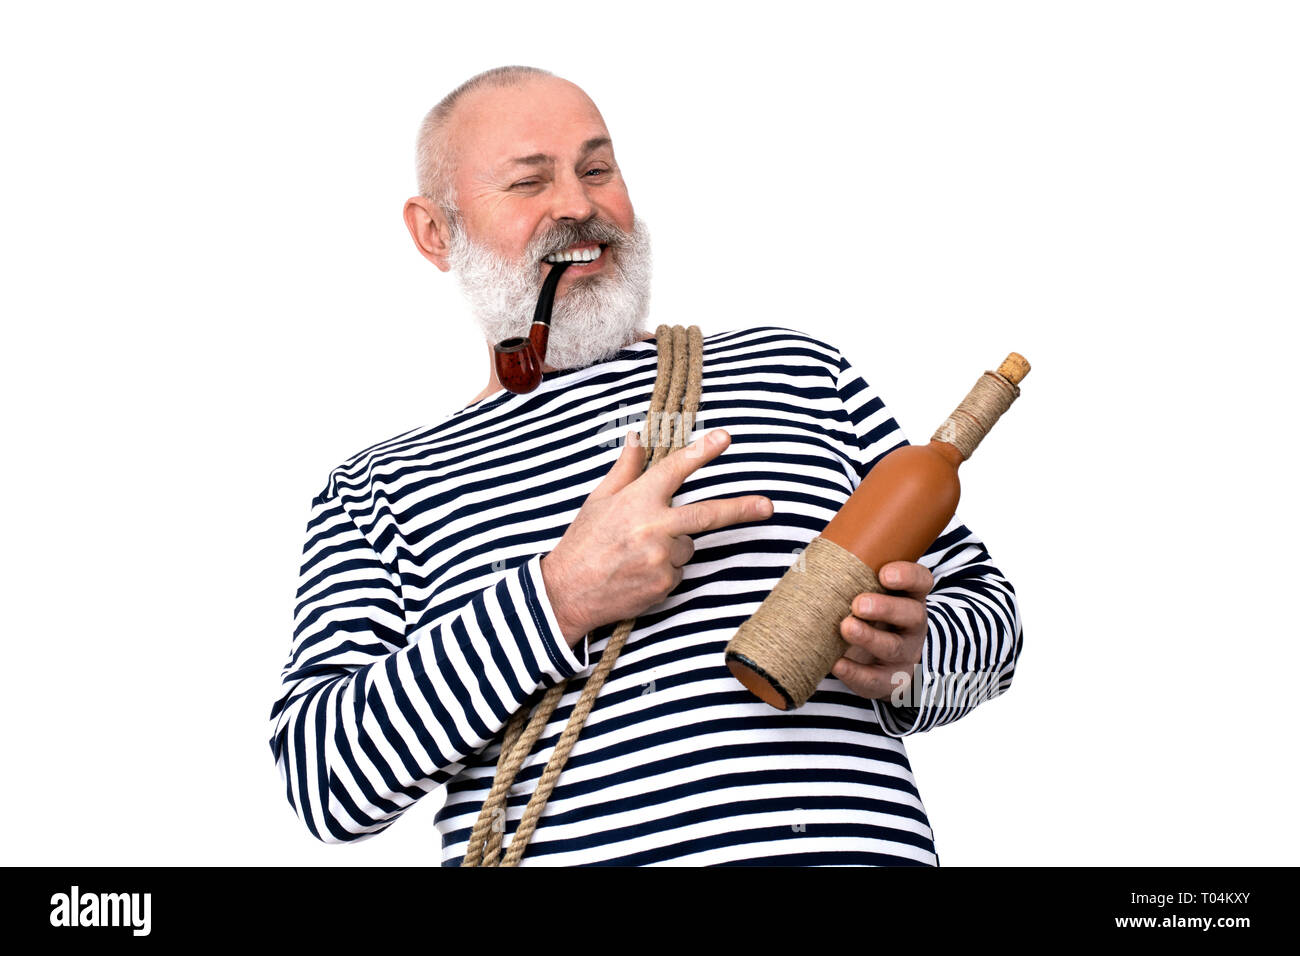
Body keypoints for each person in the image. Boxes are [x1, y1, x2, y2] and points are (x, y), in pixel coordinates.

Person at [268, 65, 1024, 865]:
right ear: (434, 232)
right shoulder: (379, 488)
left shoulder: (797, 373)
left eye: (597, 169)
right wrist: (557, 599)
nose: (579, 205)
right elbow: (325, 783)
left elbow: (991, 626)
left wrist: (910, 663)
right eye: (530, 182)